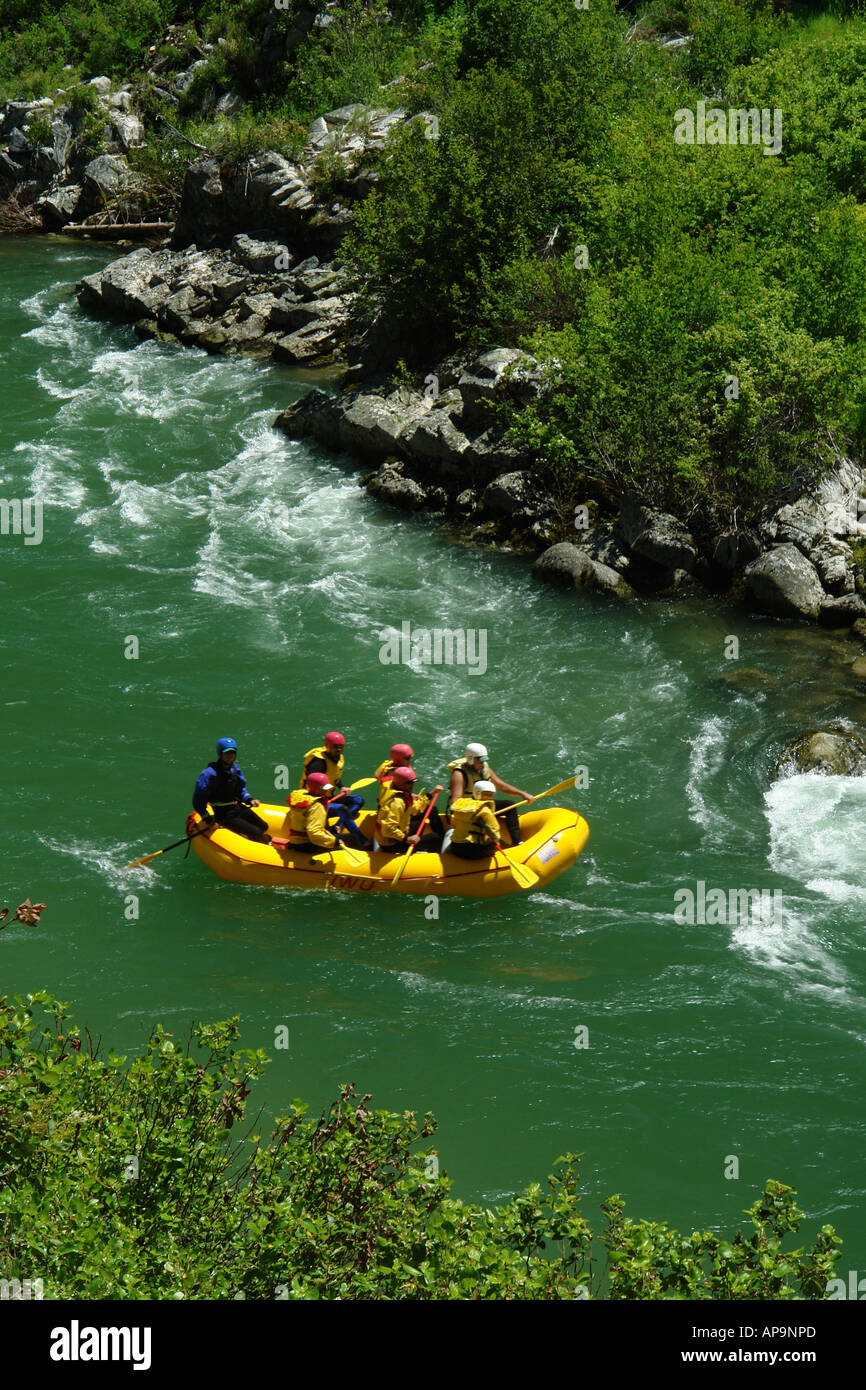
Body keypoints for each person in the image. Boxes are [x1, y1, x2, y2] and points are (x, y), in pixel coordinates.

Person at [446, 742, 533, 846]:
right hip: (468, 811)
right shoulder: (459, 774)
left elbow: (502, 786)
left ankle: (517, 842)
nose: (482, 763)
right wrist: (477, 810)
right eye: (480, 760)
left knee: (510, 805)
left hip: (483, 806)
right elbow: (455, 802)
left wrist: (522, 794)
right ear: (470, 759)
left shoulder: (484, 768)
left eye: (484, 760)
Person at [193, 738, 271, 844]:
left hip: (237, 807)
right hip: (223, 814)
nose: (230, 755)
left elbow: (241, 788)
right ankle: (262, 842)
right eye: (227, 753)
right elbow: (198, 801)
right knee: (256, 832)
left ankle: (253, 837)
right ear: (220, 753)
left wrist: (249, 799)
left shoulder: (235, 769)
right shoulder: (209, 774)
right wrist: (209, 820)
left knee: (263, 826)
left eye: (232, 752)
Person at [300, 731, 366, 847]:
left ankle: (338, 826)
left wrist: (341, 787)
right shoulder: (318, 763)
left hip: (328, 797)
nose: (339, 750)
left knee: (358, 800)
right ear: (327, 746)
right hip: (315, 801)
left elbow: (334, 777)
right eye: (335, 747)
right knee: (343, 809)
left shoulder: (339, 758)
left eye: (341, 747)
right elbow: (314, 785)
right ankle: (362, 841)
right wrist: (331, 787)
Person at [373, 767, 444, 853]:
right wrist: (407, 839)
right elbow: (388, 829)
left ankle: (439, 837)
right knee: (436, 837)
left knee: (430, 809)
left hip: (398, 834)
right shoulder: (397, 802)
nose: (412, 785)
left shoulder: (402, 795)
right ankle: (439, 843)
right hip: (392, 844)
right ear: (404, 784)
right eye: (411, 783)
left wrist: (432, 793)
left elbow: (416, 809)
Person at [284, 772, 341, 853]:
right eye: (323, 788)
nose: (326, 790)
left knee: (333, 830)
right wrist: (334, 842)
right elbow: (313, 832)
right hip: (308, 843)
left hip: (295, 840)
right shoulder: (316, 806)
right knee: (351, 839)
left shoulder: (299, 797)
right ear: (316, 788)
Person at [446, 780, 503, 860]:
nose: (489, 797)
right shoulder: (484, 810)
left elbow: (453, 824)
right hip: (473, 851)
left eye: (491, 795)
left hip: (455, 847)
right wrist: (496, 841)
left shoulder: (461, 805)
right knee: (498, 844)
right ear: (478, 793)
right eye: (486, 795)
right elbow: (494, 830)